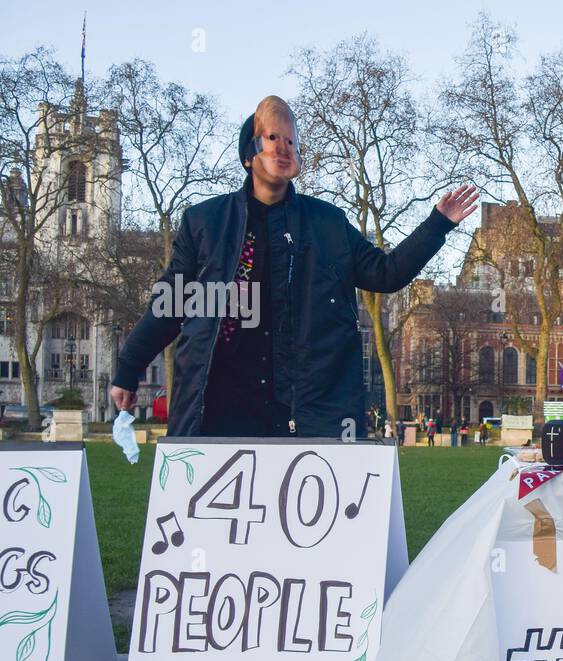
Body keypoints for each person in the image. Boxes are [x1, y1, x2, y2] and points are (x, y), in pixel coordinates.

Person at [109, 95, 479, 438]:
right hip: (221, 404)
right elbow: (170, 305)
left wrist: (437, 224)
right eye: (272, 138)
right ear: (249, 154)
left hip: (306, 406)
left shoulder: (328, 223)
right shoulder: (205, 222)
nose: (283, 148)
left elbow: (386, 273)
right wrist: (129, 368)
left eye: (291, 141)